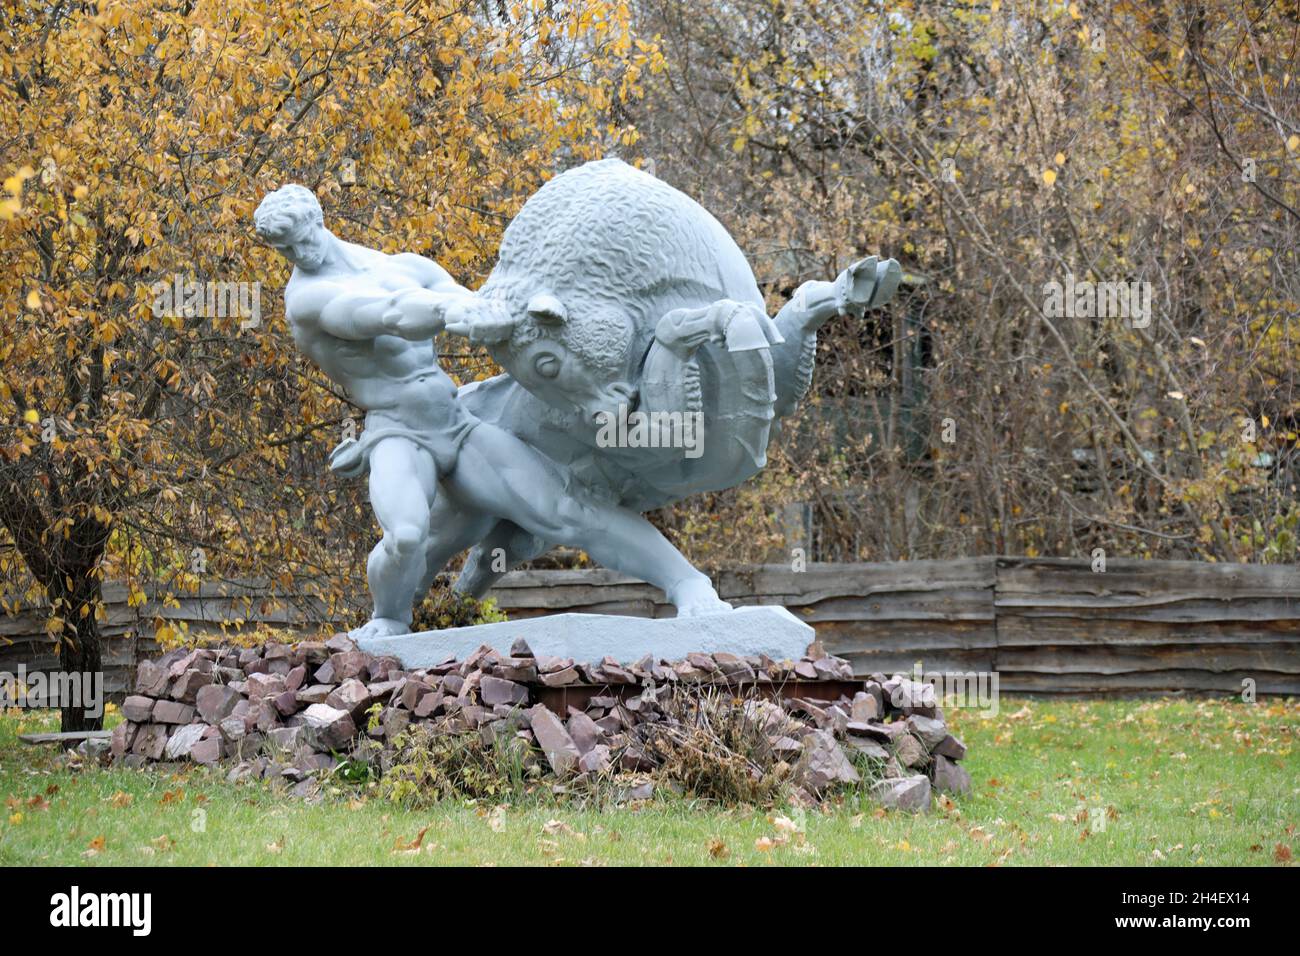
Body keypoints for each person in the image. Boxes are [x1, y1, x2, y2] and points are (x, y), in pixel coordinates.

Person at [254, 185, 729, 638]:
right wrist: (448, 313)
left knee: (567, 508)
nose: (302, 255)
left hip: (455, 424)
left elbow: (472, 300)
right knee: (405, 537)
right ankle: (390, 619)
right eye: (288, 251)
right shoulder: (307, 299)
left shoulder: (398, 264)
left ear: (320, 221)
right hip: (396, 433)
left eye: (303, 240)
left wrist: (500, 310)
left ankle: (688, 584)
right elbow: (386, 314)